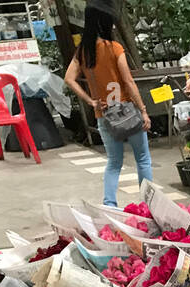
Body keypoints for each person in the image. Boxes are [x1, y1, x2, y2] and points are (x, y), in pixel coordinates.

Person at [63, 5, 152, 207]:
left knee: (113, 163)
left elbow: (69, 79)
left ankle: (110, 204)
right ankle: (147, 204)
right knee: (143, 159)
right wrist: (144, 111)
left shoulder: (83, 52)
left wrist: (90, 100)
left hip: (104, 114)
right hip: (128, 111)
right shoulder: (115, 48)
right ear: (105, 22)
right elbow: (128, 82)